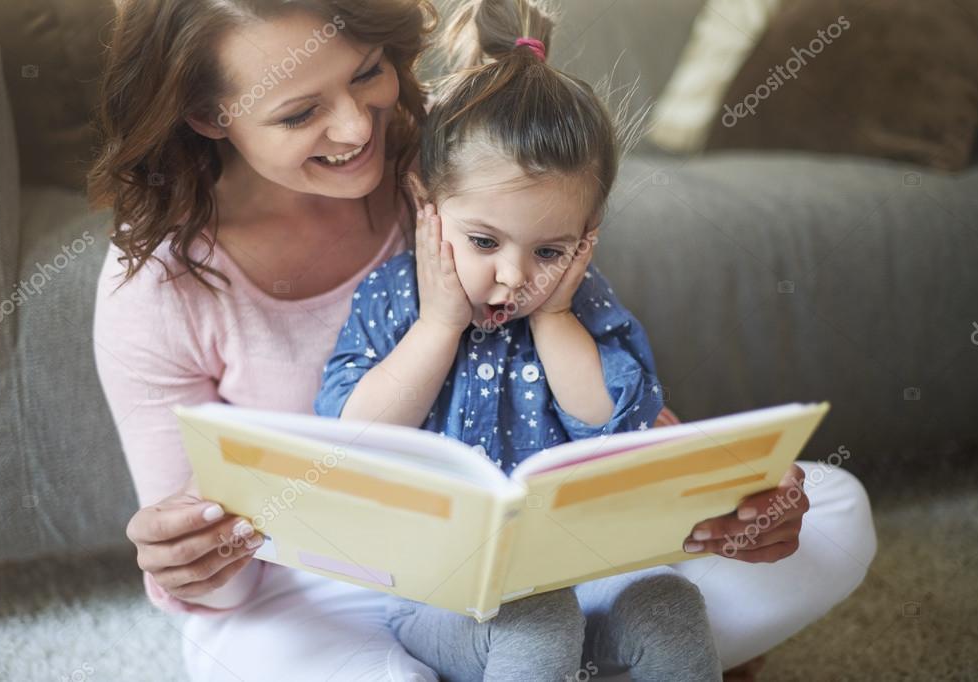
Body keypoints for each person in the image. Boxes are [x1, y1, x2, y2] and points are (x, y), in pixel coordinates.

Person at [89, 1, 877, 680]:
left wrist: (720, 500)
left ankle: (556, 652)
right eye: (298, 112)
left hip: (548, 555)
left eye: (367, 72)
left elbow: (603, 401)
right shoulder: (157, 290)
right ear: (207, 115)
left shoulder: (465, 153)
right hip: (327, 586)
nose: (356, 126)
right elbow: (221, 577)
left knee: (834, 510)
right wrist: (193, 559)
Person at [312, 3, 722, 678]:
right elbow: (352, 439)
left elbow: (610, 422)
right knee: (531, 612)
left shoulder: (578, 306)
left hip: (575, 568)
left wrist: (556, 317)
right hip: (429, 592)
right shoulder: (393, 299)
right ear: (424, 201)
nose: (513, 277)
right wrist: (440, 325)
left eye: (550, 249)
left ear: (587, 236)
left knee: (667, 601)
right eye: (482, 242)